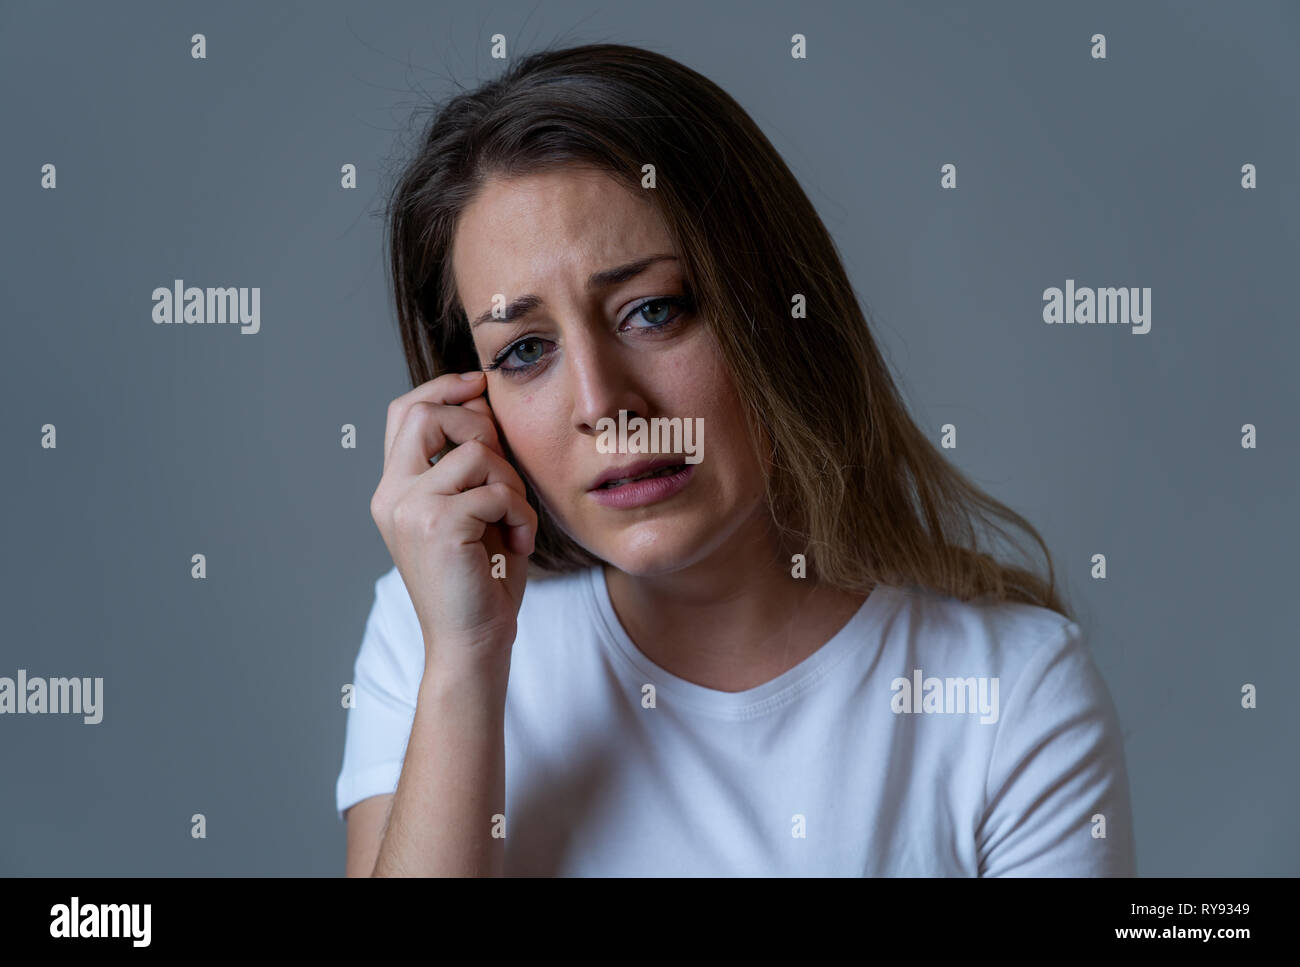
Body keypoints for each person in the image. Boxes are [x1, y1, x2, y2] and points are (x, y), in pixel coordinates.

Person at [336, 42, 1136, 876]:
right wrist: (466, 664)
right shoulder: (430, 634)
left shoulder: (1011, 696)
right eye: (525, 350)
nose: (602, 403)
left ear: (778, 313)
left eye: (653, 311)